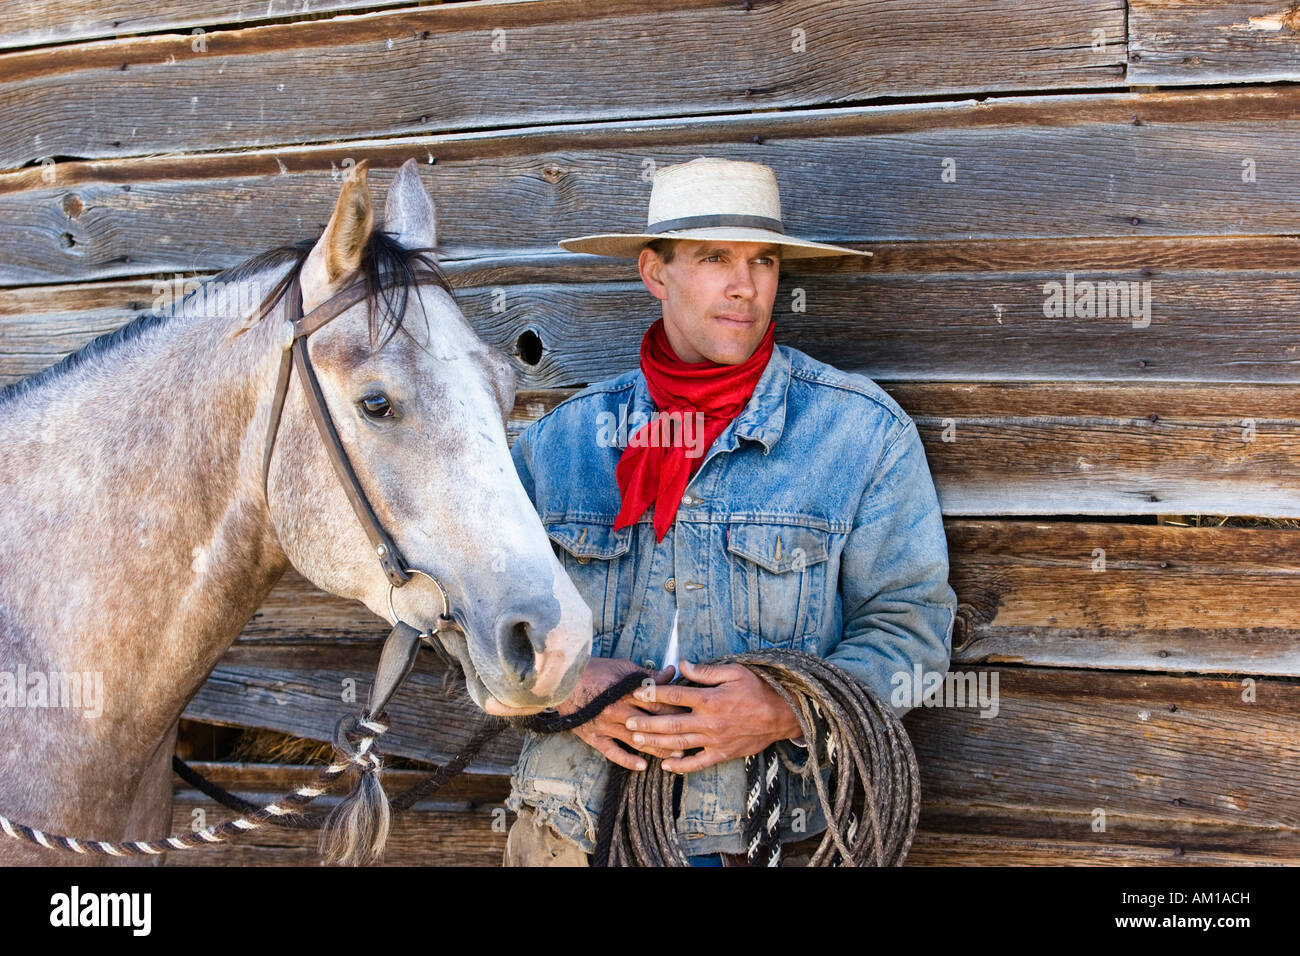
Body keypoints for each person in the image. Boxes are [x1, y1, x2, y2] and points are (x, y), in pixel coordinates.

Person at [502, 157, 956, 866]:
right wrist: (565, 686)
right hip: (570, 830)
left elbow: (913, 624)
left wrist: (786, 707)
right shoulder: (563, 441)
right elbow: (473, 614)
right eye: (715, 258)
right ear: (656, 273)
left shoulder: (859, 433)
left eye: (763, 261)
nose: (745, 287)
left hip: (772, 834)